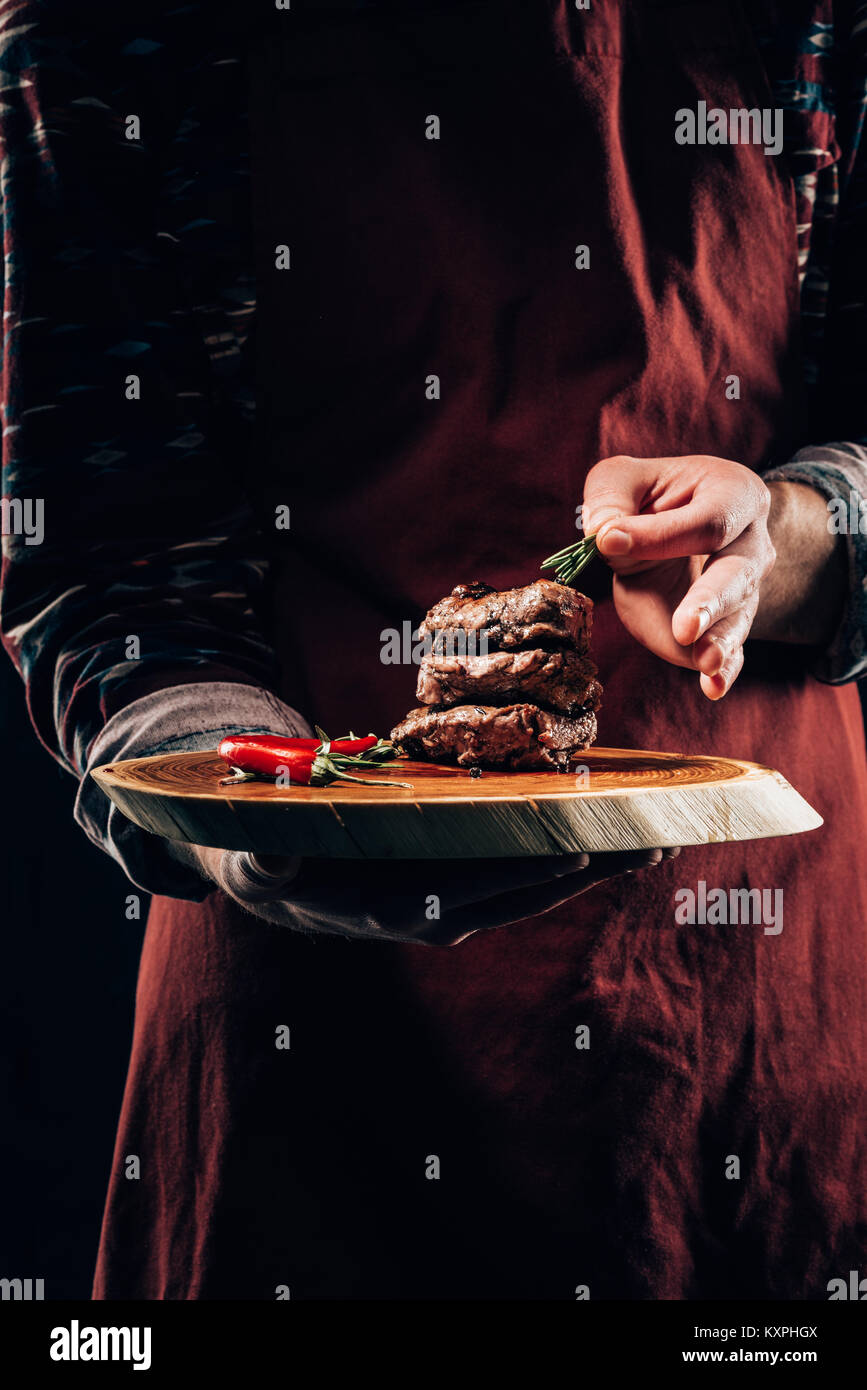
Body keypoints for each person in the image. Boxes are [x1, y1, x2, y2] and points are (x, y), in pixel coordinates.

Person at [2, 1, 866, 1300]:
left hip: (756, 1019)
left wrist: (784, 537)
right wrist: (240, 801)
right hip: (309, 1053)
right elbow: (105, 534)